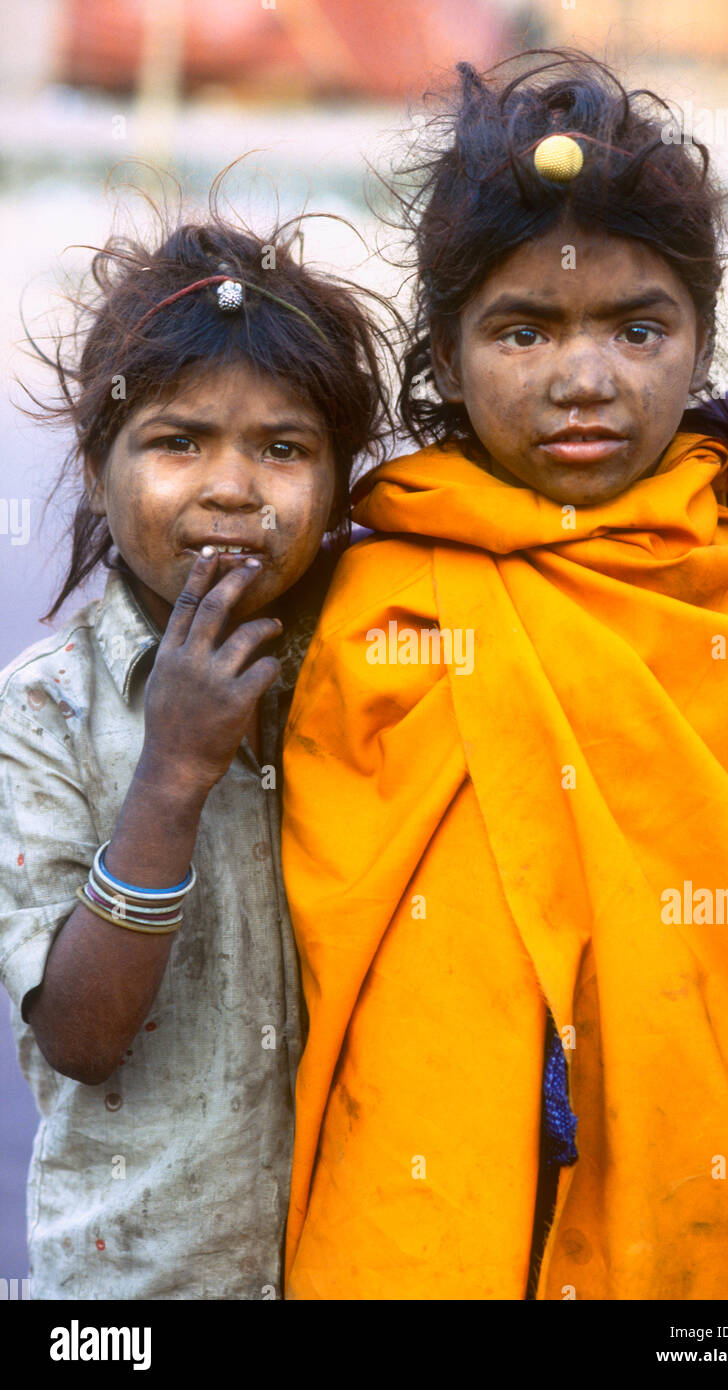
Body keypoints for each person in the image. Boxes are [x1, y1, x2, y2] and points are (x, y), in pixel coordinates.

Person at [280, 52, 728, 1300]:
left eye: (636, 328)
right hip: (424, 1201)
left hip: (706, 1218)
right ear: (446, 348)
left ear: (700, 340)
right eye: (523, 329)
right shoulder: (368, 602)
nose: (583, 379)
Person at [0, 199, 391, 1299]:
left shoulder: (380, 659)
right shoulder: (41, 716)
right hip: (140, 1285)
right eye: (178, 442)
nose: (230, 487)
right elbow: (80, 1035)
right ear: (94, 465)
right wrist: (171, 771)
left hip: (361, 1257)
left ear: (336, 484)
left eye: (283, 448)